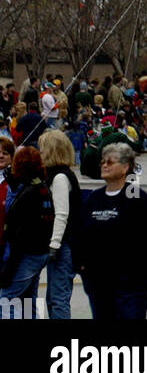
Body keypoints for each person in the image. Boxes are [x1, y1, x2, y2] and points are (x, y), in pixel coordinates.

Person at [78, 143, 147, 319]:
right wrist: (83, 268)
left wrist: (136, 272)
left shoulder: (137, 199)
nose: (104, 165)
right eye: (102, 161)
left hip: (130, 287)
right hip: (98, 284)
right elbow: (80, 235)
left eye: (110, 161)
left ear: (125, 167)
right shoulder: (94, 199)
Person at [0, 146, 54, 317]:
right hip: (38, 253)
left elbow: (18, 231)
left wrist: (9, 270)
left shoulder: (28, 194)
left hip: (25, 254)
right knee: (28, 300)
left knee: (7, 300)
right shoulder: (41, 187)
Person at [38, 130, 83, 319]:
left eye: (42, 149)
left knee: (58, 299)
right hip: (64, 244)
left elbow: (62, 214)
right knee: (54, 297)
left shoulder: (60, 178)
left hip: (64, 246)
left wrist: (54, 244)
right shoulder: (60, 175)